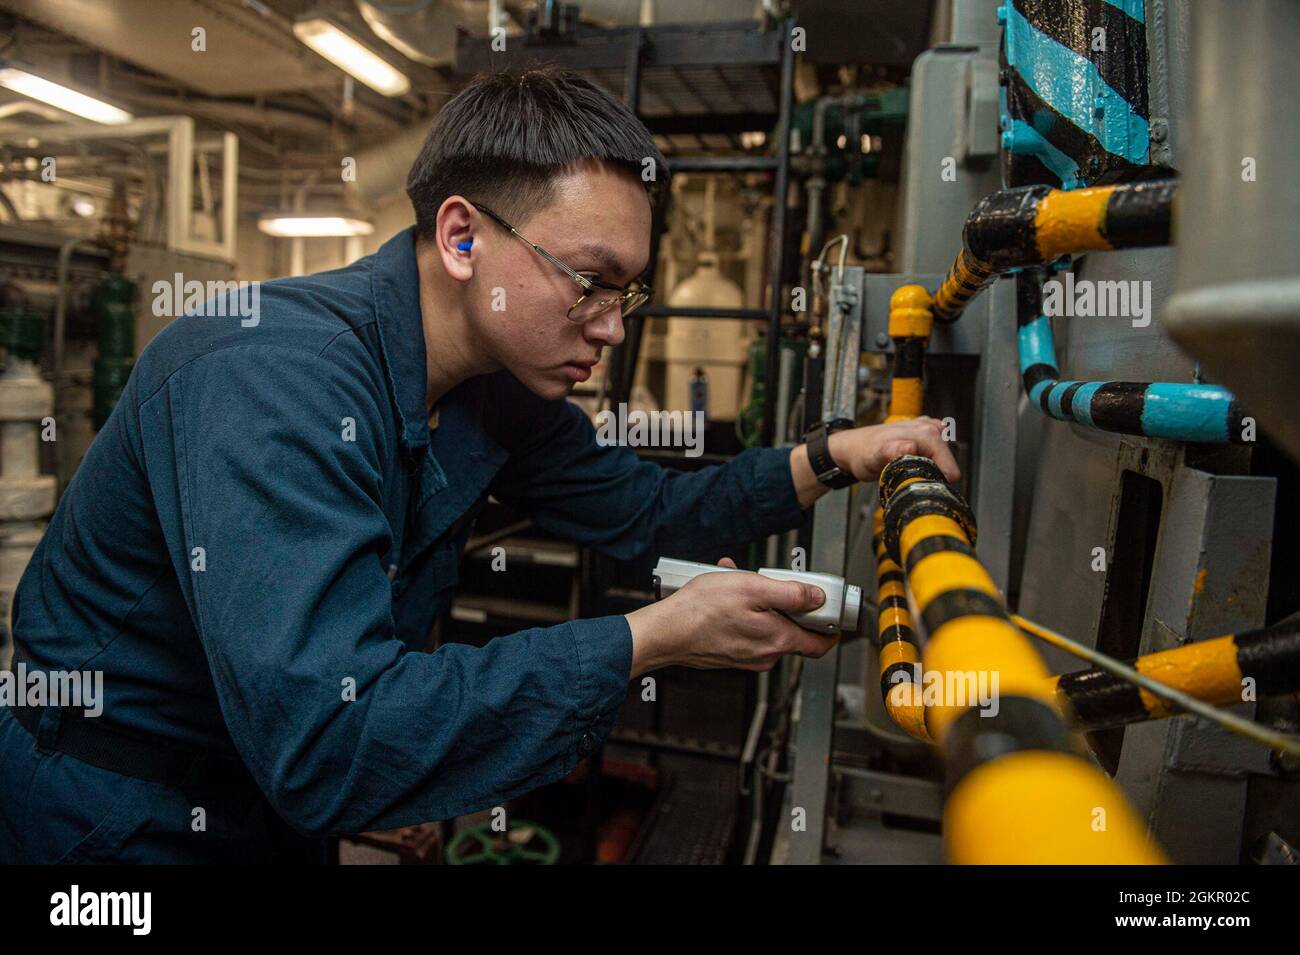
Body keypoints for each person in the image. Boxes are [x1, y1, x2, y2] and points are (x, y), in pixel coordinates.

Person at [0, 68, 958, 862]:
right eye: (589, 282)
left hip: (269, 791)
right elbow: (329, 739)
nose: (613, 328)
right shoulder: (266, 377)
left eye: (630, 292)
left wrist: (840, 453)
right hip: (113, 811)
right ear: (462, 236)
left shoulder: (497, 385)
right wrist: (647, 641)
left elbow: (649, 513)